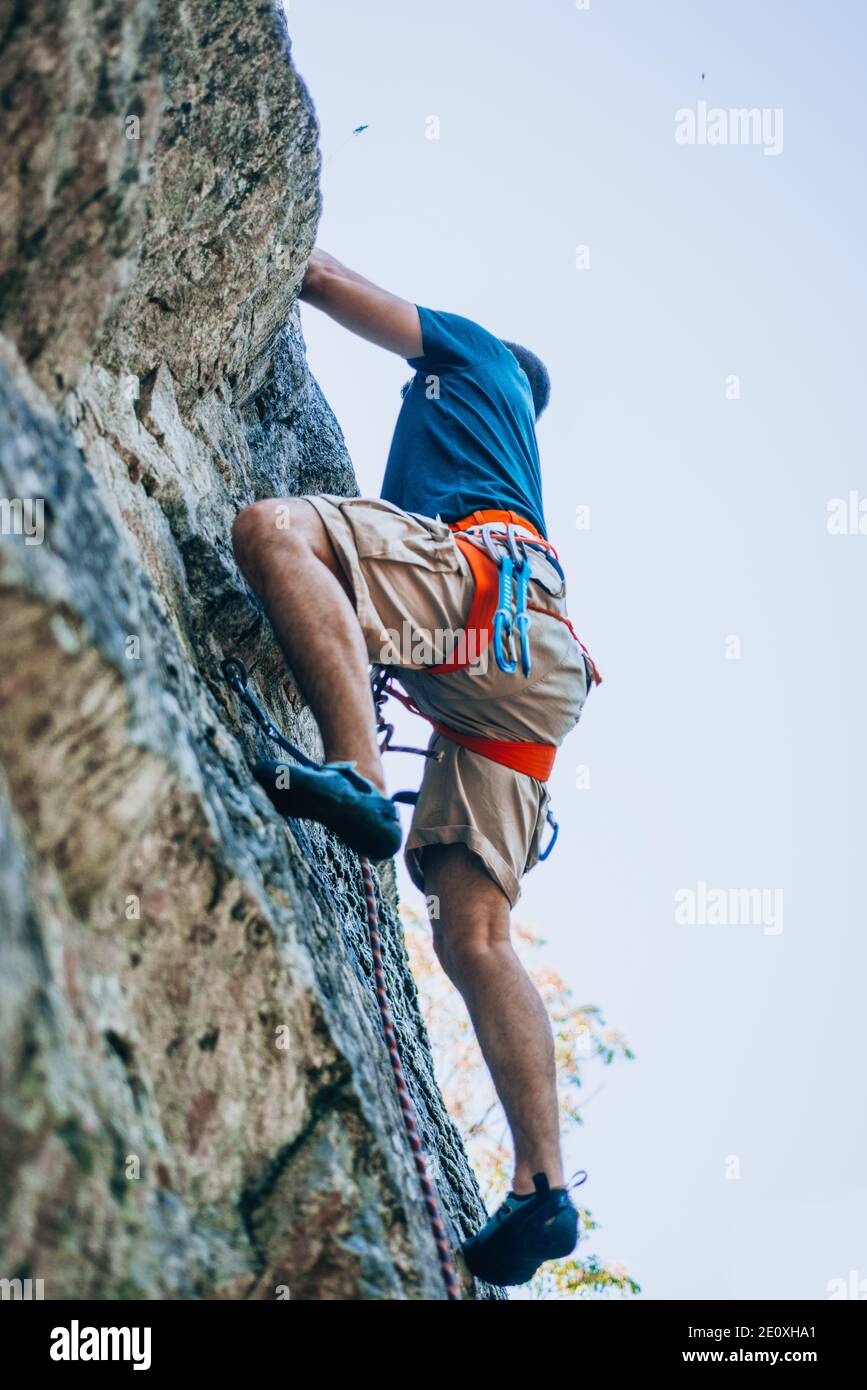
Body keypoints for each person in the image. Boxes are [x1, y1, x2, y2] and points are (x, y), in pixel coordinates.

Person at [231, 248, 598, 1285]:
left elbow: (328, 281)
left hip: (482, 590)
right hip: (536, 667)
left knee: (275, 531)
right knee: (475, 933)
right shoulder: (497, 454)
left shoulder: (476, 358)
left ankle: (352, 772)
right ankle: (542, 1188)